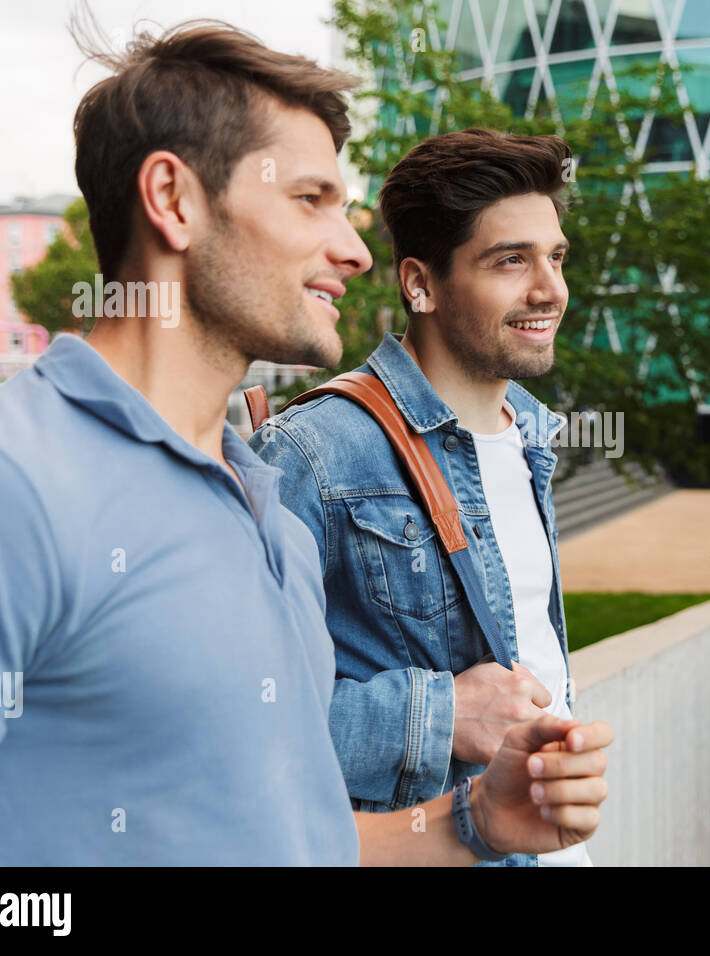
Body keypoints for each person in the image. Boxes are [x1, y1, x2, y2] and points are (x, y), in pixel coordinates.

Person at [0, 18, 610, 866]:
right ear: (174, 200)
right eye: (311, 199)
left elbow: (304, 843)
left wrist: (476, 820)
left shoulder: (266, 511)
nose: (356, 251)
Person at [251, 128, 592, 866]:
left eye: (556, 258)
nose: (550, 290)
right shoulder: (316, 452)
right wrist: (442, 716)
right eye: (511, 261)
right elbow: (246, 720)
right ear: (420, 283)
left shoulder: (530, 437)